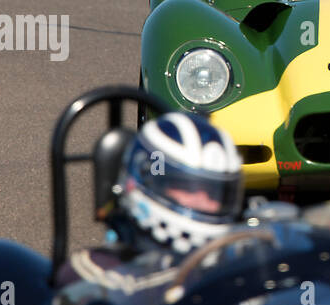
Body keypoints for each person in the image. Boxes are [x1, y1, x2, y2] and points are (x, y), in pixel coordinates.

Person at [58, 112, 244, 293]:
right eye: (188, 188)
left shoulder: (241, 258)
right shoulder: (95, 273)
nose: (205, 202)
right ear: (149, 182)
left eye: (214, 192)